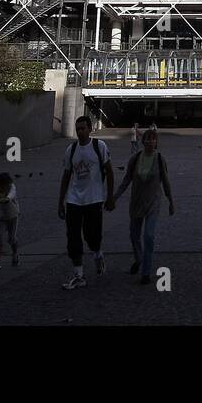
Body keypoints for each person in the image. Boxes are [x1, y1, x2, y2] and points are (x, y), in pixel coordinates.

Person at [57, 115, 114, 290]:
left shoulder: (99, 146)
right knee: (73, 238)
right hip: (74, 200)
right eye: (78, 129)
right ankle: (78, 275)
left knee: (92, 236)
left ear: (90, 129)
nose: (80, 132)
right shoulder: (71, 150)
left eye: (83, 128)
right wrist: (61, 201)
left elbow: (110, 172)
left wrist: (110, 197)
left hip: (94, 199)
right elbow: (66, 176)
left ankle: (97, 254)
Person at [112, 127, 175, 284]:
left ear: (156, 143)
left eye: (153, 139)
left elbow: (166, 182)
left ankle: (146, 272)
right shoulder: (135, 159)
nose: (150, 142)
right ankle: (139, 259)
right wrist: (115, 197)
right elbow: (126, 180)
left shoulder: (160, 159)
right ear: (143, 141)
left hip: (153, 202)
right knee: (134, 235)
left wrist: (171, 201)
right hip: (136, 202)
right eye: (148, 139)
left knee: (148, 236)